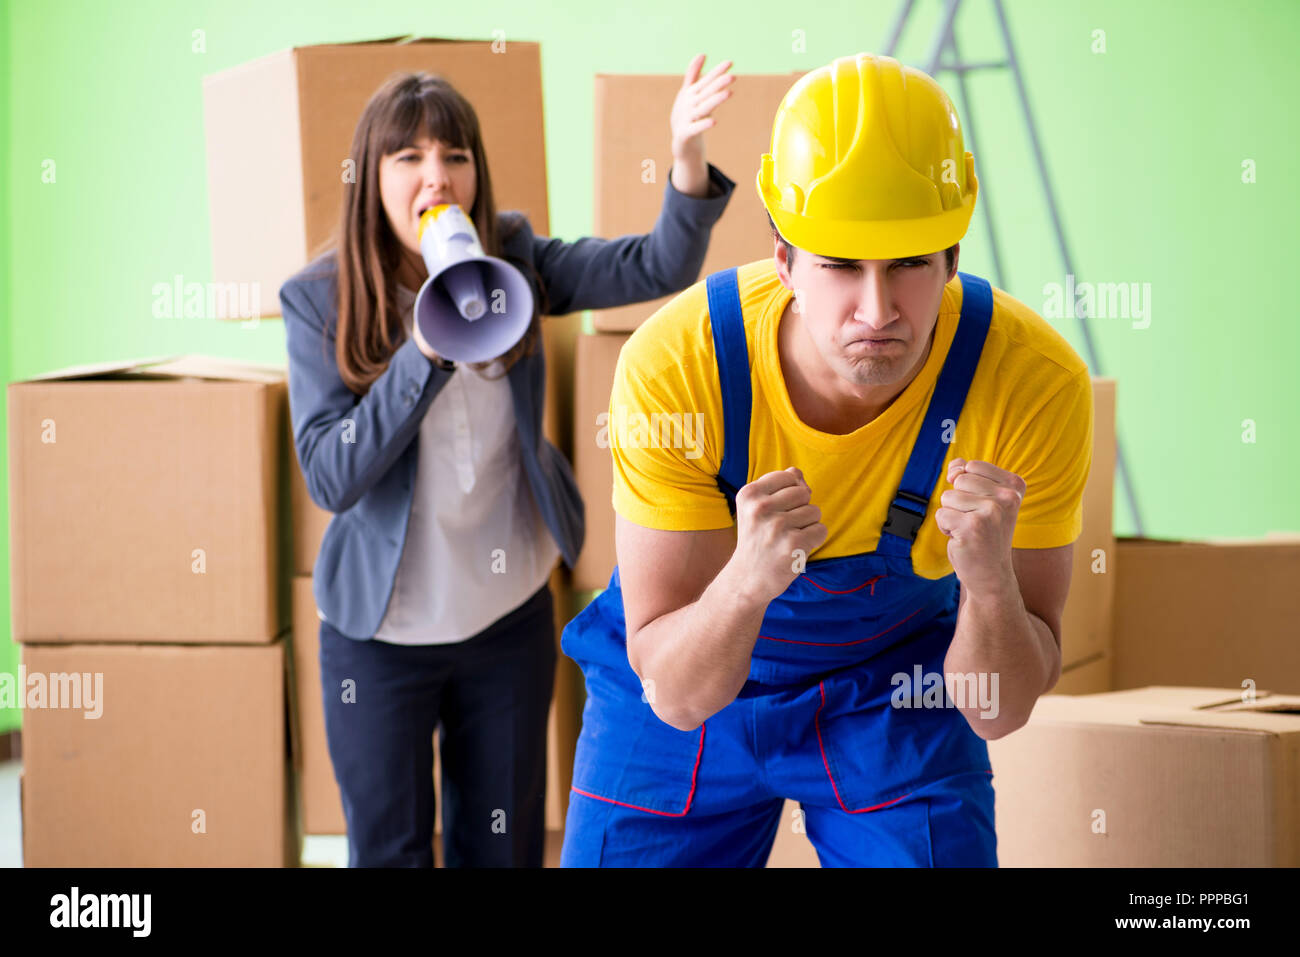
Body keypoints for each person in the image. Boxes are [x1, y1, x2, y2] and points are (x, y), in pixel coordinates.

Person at [560, 53, 1094, 867]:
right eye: (841, 265)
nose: (876, 312)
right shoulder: (678, 368)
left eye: (910, 264)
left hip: (891, 688)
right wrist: (744, 582)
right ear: (784, 259)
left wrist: (990, 583)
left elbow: (998, 709)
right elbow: (674, 692)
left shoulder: (1031, 384)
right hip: (685, 673)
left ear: (952, 256)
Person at [281, 56, 737, 867]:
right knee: (388, 851)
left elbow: (653, 268)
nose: (437, 178)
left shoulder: (512, 255)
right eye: (409, 158)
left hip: (507, 618)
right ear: (371, 176)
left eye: (455, 157)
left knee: (503, 846)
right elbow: (330, 474)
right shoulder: (319, 297)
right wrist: (424, 351)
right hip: (379, 636)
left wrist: (686, 156)